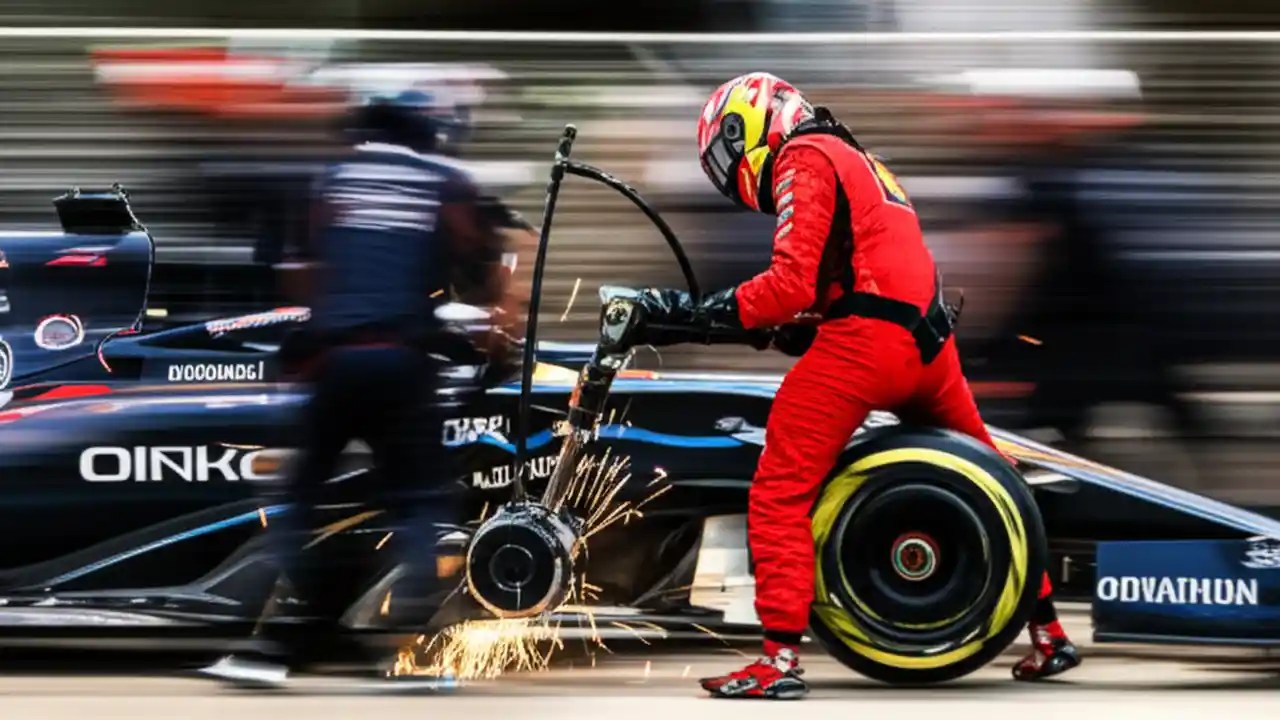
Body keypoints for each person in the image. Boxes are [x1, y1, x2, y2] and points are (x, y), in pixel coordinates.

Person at [642, 72, 1078, 699]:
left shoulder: (802, 157)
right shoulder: (857, 158)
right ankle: (1049, 634)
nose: (730, 174)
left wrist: (701, 311)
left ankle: (779, 662)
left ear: (747, 129)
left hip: (869, 344)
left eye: (725, 155)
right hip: (928, 347)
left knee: (779, 487)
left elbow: (789, 284)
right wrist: (763, 325)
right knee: (994, 484)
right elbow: (848, 280)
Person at [202, 89, 525, 688]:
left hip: (335, 363)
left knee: (297, 500)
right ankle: (401, 646)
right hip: (403, 364)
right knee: (420, 502)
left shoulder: (332, 179)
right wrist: (493, 346)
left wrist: (320, 331)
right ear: (427, 136)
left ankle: (292, 632)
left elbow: (298, 274)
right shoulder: (444, 181)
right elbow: (489, 274)